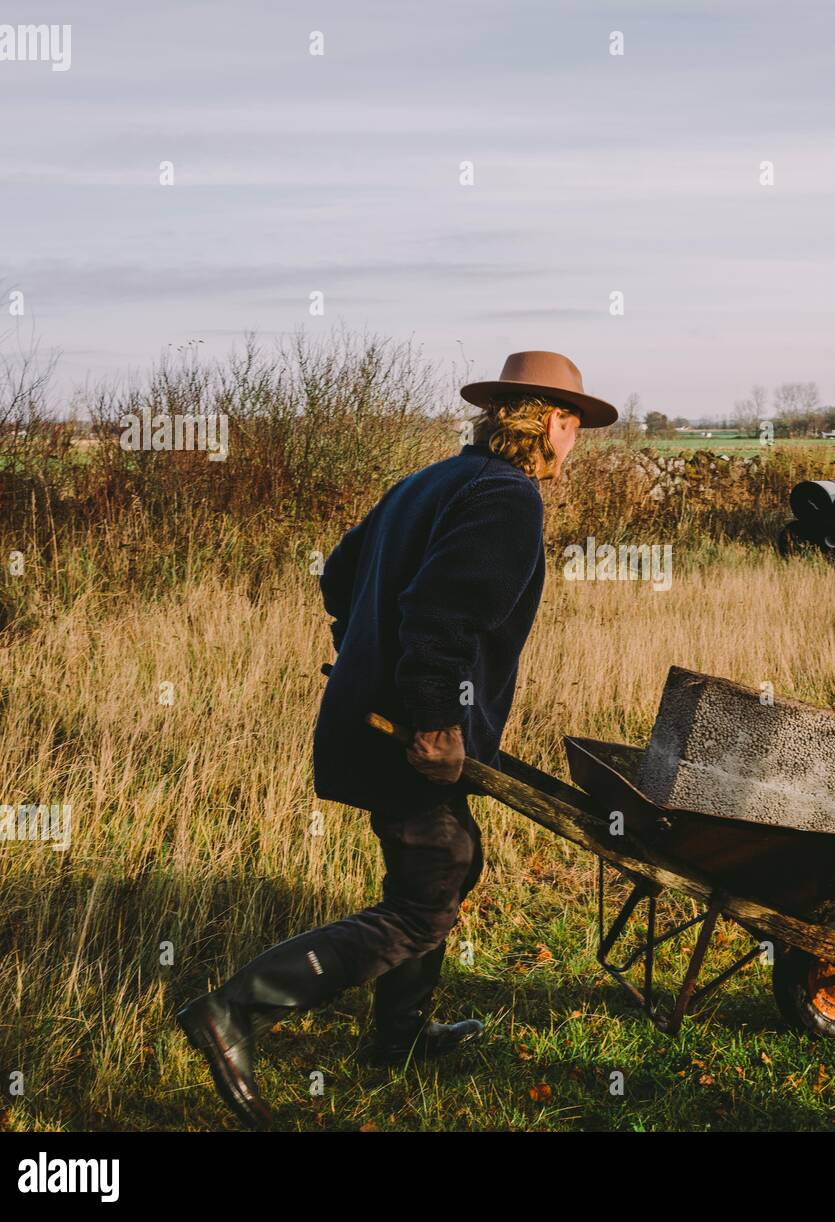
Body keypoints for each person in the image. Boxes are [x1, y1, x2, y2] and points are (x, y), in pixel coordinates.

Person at [176, 351, 616, 1128]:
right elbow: (442, 617)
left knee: (447, 864)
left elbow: (339, 576)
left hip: (379, 717)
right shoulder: (509, 497)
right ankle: (236, 1012)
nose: (574, 442)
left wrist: (361, 652)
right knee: (424, 900)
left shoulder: (428, 482)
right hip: (411, 735)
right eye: (575, 425)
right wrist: (438, 721)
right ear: (553, 422)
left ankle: (397, 1039)